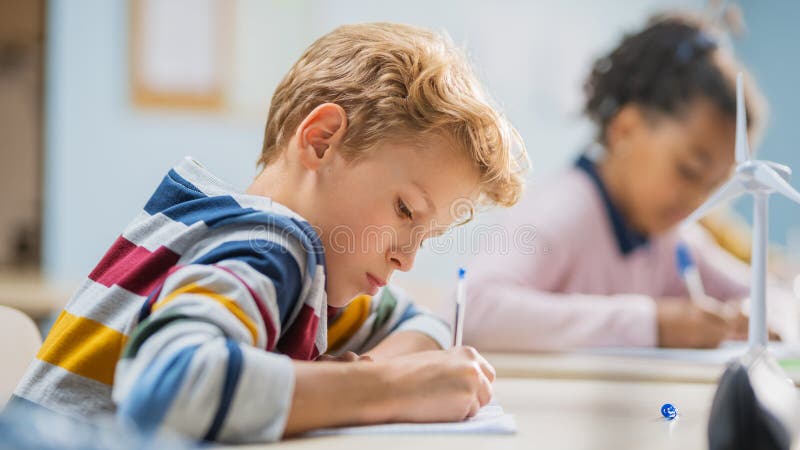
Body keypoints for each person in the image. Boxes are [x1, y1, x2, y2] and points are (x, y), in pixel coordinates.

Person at [11, 22, 525, 443]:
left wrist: (362, 373)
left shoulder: (289, 268)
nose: (407, 259)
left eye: (427, 236)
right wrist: (385, 387)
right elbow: (164, 389)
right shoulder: (270, 246)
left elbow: (425, 327)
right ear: (321, 141)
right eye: (405, 210)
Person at [463, 14, 794, 351]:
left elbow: (774, 295)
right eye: (689, 170)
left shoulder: (672, 240)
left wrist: (754, 316)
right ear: (625, 130)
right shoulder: (562, 211)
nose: (698, 199)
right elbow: (473, 310)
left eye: (714, 185)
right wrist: (653, 324)